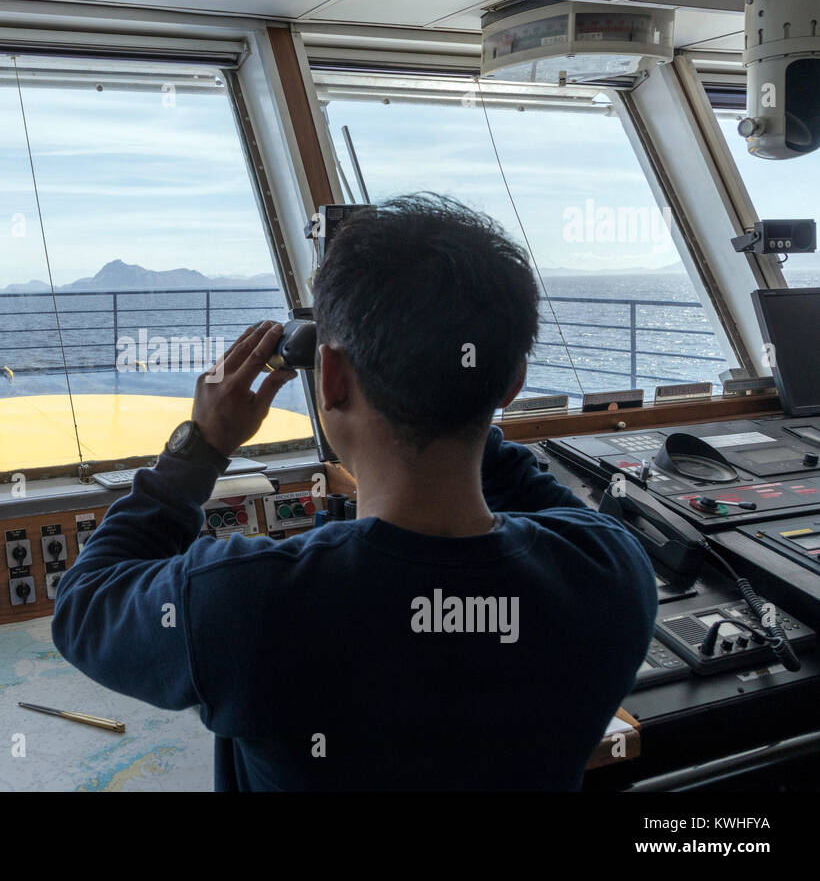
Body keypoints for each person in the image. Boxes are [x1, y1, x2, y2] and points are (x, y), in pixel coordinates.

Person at [51, 193, 657, 790]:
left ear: (331, 376)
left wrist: (202, 445)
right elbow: (534, 492)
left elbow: (84, 604)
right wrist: (457, 388)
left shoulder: (249, 604)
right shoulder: (611, 573)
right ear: (513, 384)